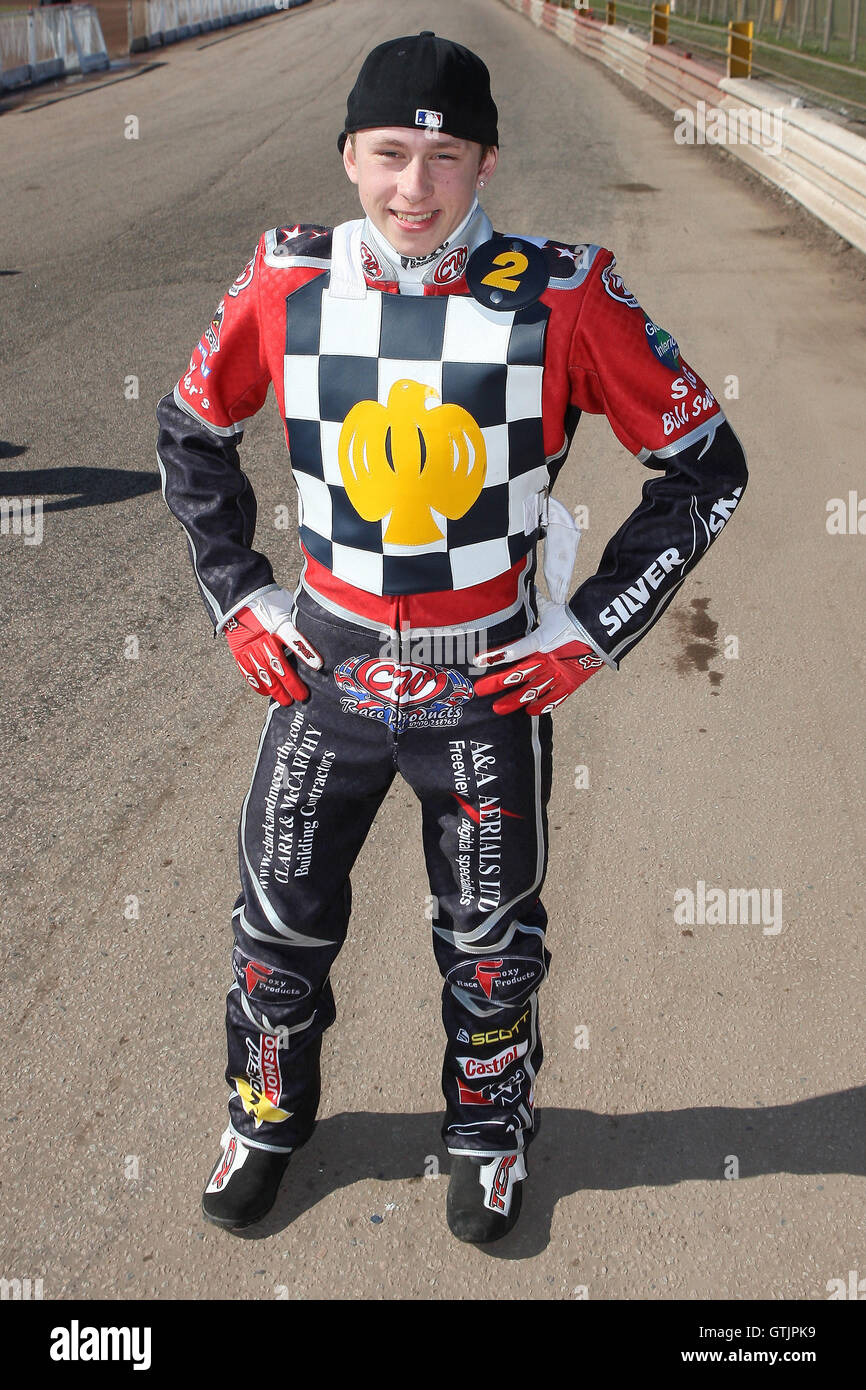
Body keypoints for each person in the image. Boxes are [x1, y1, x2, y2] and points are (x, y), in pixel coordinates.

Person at [156, 31, 747, 1243]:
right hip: (323, 673)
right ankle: (265, 1116)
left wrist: (589, 629)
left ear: (487, 161)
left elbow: (704, 468)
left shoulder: (565, 290)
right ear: (345, 155)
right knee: (276, 923)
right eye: (386, 154)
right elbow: (187, 431)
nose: (411, 188)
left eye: (442, 157)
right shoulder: (285, 277)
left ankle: (485, 1130)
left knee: (491, 948)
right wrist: (237, 593)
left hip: (483, 685)